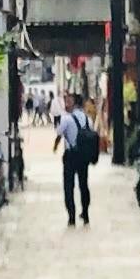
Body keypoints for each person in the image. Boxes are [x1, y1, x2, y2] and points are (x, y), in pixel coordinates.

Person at [55, 92, 92, 227]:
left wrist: (54, 147)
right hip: (84, 156)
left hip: (71, 155)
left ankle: (71, 215)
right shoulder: (88, 119)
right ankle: (86, 213)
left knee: (69, 186)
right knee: (84, 185)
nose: (66, 104)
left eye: (69, 101)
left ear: (74, 103)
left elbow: (59, 134)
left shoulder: (66, 119)